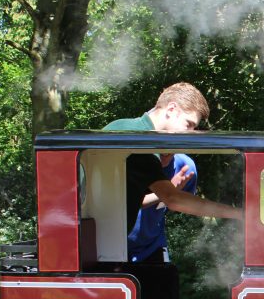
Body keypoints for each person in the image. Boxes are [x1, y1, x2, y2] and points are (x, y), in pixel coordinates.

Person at [102, 82, 242, 228]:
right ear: (171, 109)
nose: (190, 134)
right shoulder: (140, 142)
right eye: (189, 124)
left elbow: (134, 200)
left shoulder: (125, 128)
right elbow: (173, 200)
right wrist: (239, 214)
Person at [128, 153, 197, 263]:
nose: (165, 151)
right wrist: (169, 193)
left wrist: (174, 198)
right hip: (114, 249)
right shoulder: (133, 159)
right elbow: (127, 201)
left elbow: (176, 208)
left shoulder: (186, 167)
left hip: (152, 248)